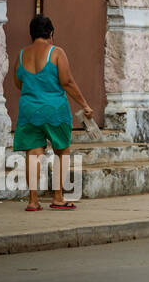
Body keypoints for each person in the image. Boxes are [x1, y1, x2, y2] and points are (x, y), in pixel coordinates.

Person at [11, 14, 92, 211]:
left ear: (31, 34)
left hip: (29, 111)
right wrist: (84, 104)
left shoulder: (21, 55)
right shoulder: (56, 53)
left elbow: (18, 82)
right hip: (54, 109)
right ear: (51, 33)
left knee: (33, 152)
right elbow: (67, 82)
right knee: (61, 151)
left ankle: (33, 201)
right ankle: (58, 197)